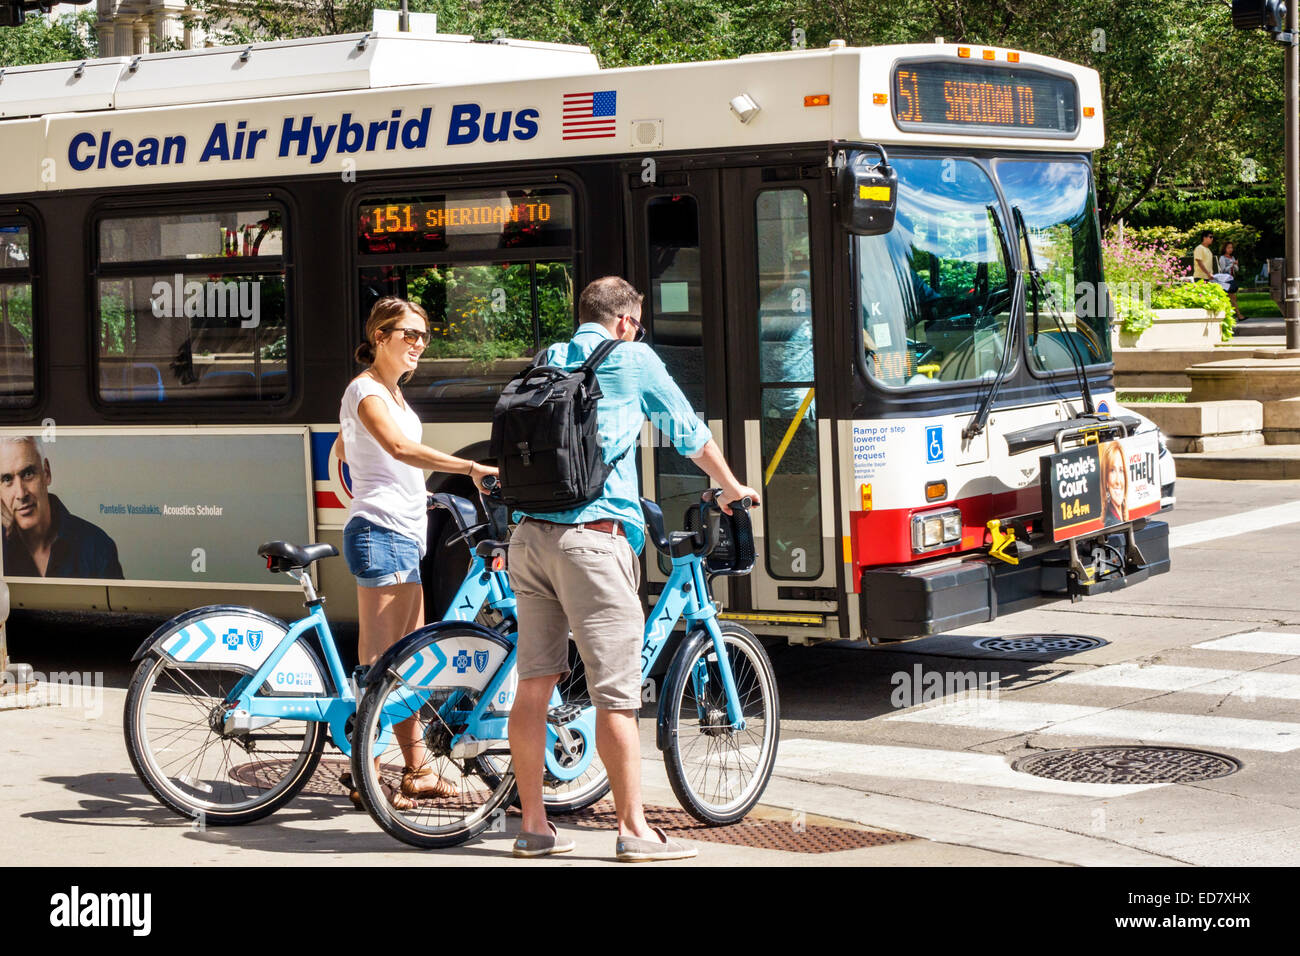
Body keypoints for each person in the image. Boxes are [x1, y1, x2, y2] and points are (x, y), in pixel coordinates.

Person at [506, 276, 760, 862]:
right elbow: (688, 433)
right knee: (616, 695)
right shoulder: (633, 356)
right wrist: (730, 486)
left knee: (536, 683)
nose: (636, 332)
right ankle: (633, 832)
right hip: (593, 542)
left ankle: (536, 828)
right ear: (625, 322)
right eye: (636, 325)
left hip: (529, 537)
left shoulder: (547, 358)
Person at [333, 296, 498, 811]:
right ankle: (366, 774)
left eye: (424, 336)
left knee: (407, 664)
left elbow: (348, 455)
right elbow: (398, 451)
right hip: (379, 534)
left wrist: (416, 495)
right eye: (409, 334)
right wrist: (468, 469)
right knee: (380, 665)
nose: (419, 345)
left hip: (402, 533)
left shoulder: (394, 396)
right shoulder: (364, 390)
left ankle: (418, 770)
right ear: (379, 336)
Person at [0, 436, 124, 579]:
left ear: (46, 473)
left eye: (28, 474)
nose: (21, 494)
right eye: (7, 479)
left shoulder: (98, 547)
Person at [1101, 441, 1128, 528]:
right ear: (1106, 480)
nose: (1118, 481)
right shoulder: (1111, 523)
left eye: (1121, 470)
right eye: (1112, 470)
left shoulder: (1122, 516)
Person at [1217, 240, 1241, 317]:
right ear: (1224, 249)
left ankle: (1231, 315)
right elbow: (1223, 270)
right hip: (1225, 280)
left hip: (1232, 279)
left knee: (1232, 298)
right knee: (1232, 297)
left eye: (1231, 248)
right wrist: (1231, 264)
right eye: (1228, 248)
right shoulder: (1222, 258)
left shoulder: (1232, 257)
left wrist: (1236, 265)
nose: (1230, 249)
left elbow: (1237, 270)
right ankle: (1238, 315)